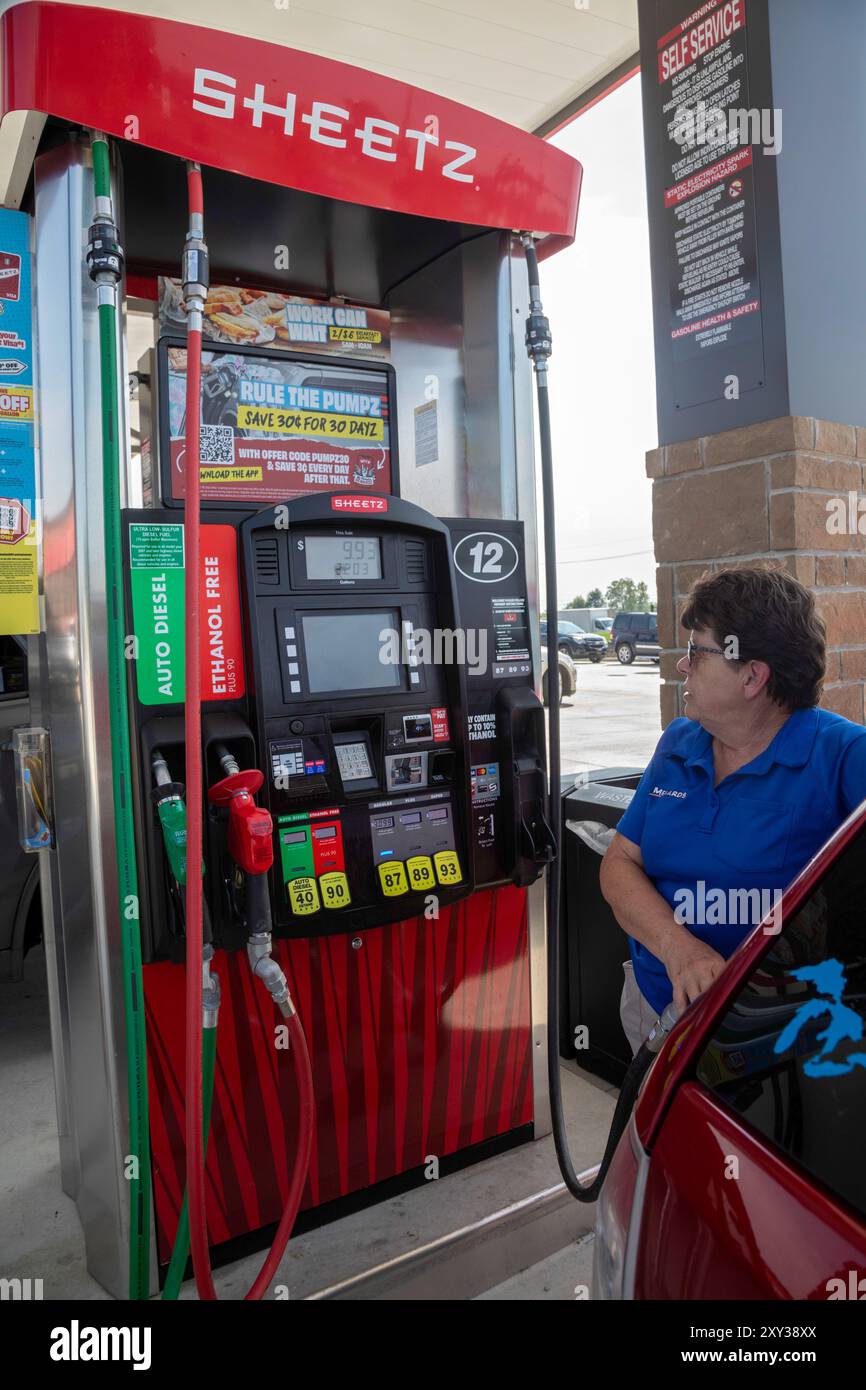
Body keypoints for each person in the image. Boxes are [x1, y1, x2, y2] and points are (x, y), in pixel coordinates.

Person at [600, 566, 866, 1055]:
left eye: (696, 653)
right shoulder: (680, 743)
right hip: (656, 1008)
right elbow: (619, 864)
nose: (682, 666)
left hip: (778, 1040)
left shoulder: (843, 757)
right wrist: (679, 949)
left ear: (751, 675)